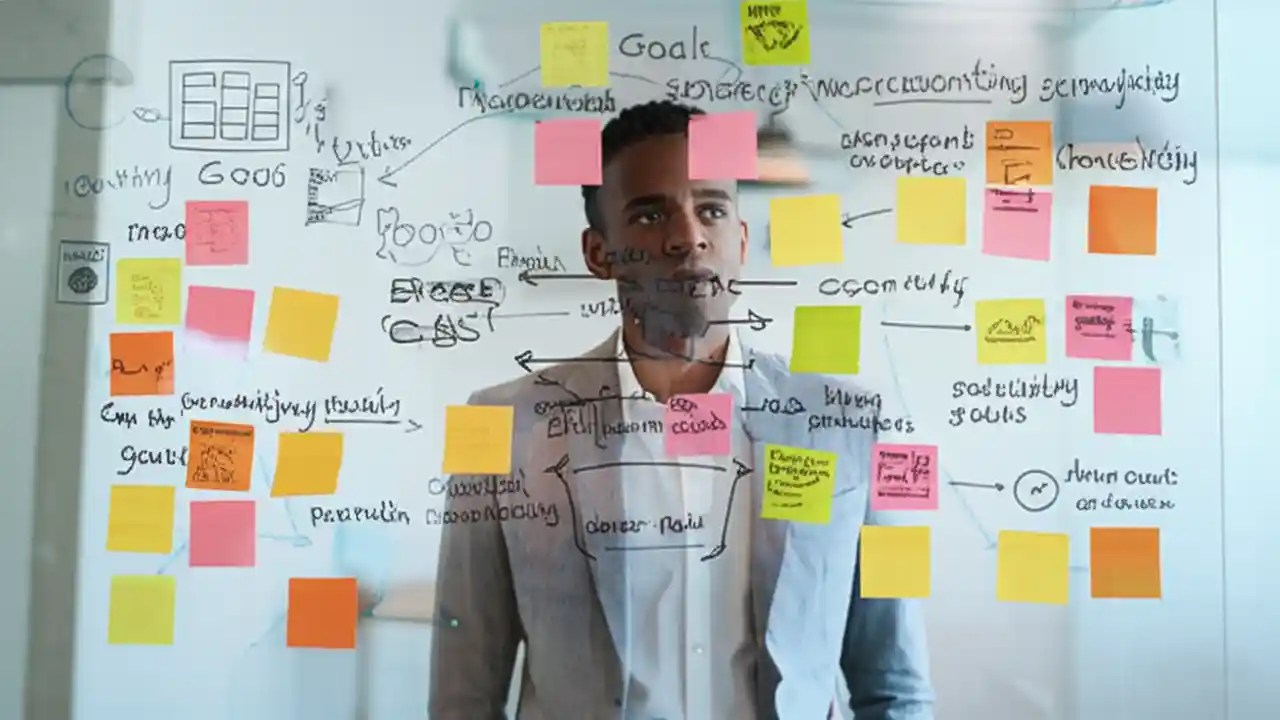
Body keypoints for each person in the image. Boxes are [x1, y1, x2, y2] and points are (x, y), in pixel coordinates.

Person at [430, 100, 933, 719]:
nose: (688, 235)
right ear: (600, 253)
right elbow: (463, 698)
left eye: (712, 209)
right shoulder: (499, 428)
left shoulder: (847, 424)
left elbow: (894, 686)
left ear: (740, 240)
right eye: (648, 214)